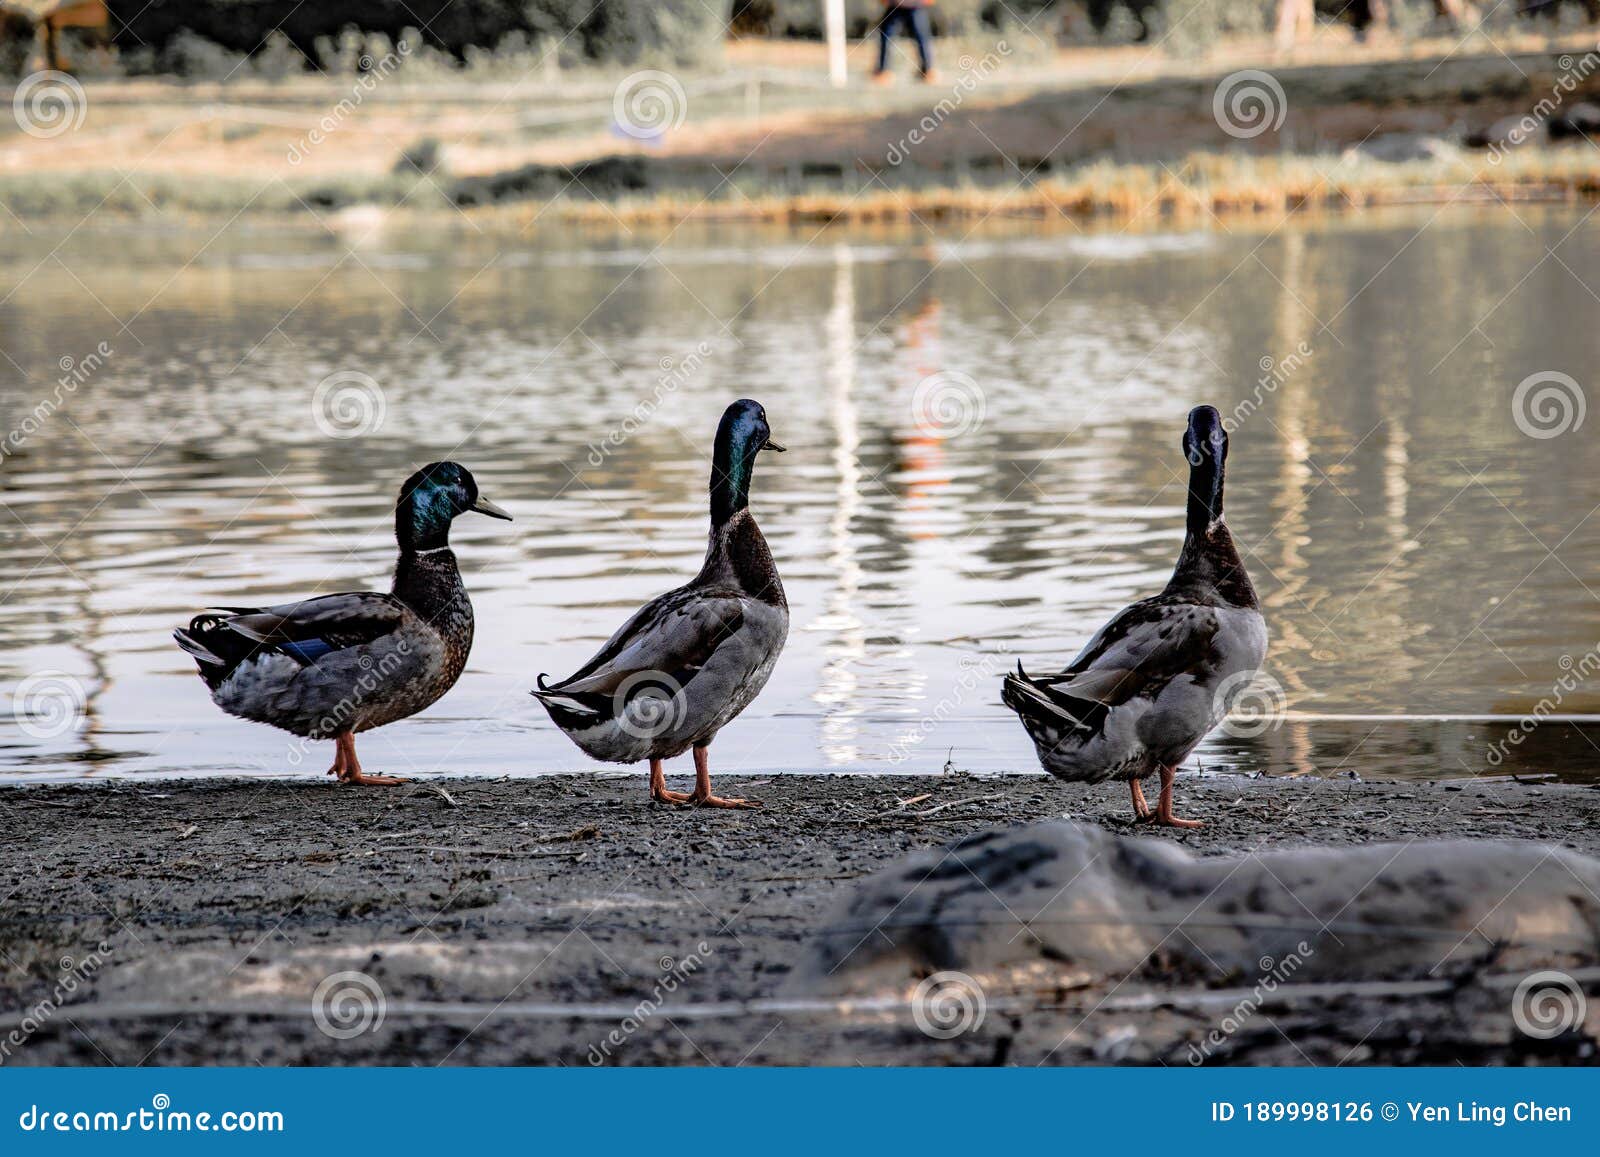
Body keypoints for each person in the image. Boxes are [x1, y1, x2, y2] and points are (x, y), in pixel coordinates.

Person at [873, 0, 936, 85]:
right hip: (895, 4)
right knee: (886, 36)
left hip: (915, 5)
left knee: (922, 37)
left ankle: (927, 70)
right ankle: (883, 70)